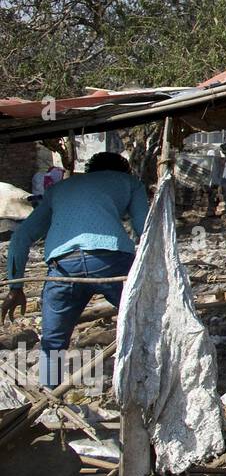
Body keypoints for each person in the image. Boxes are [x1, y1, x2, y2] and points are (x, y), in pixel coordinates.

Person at [3, 152, 146, 386]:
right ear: (124, 171)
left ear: (89, 171)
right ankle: (147, 382)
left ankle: (50, 398)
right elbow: (146, 230)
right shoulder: (130, 182)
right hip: (112, 260)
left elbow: (21, 236)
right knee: (143, 320)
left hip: (63, 267)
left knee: (53, 341)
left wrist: (15, 287)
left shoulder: (60, 189)